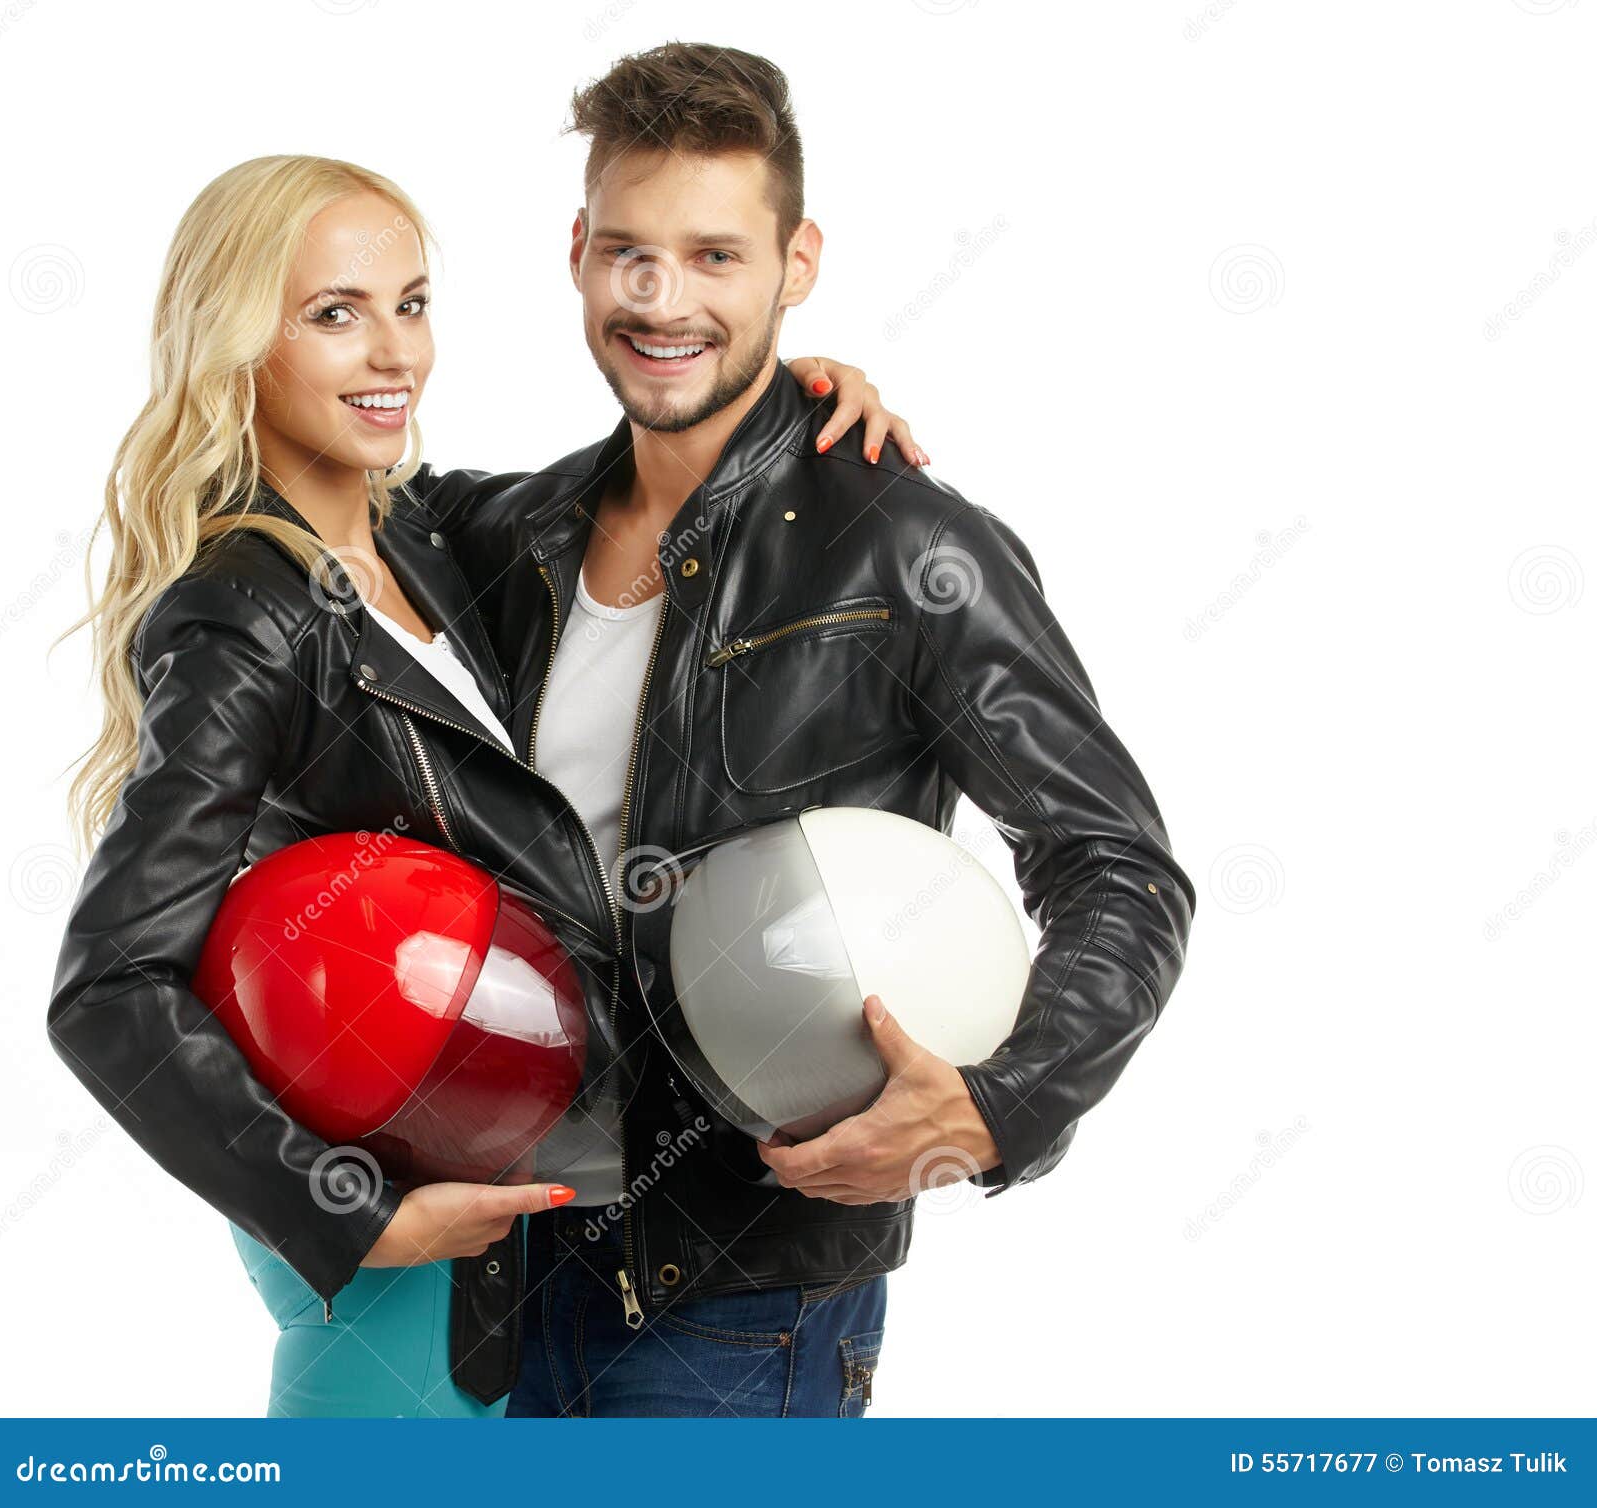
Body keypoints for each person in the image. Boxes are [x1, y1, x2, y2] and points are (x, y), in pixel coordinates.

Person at [44, 152, 918, 1418]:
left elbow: (634, 488)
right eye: (333, 314)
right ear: (238, 342)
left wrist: (783, 406)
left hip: (516, 1220)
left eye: (409, 301)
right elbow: (108, 986)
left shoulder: (424, 531)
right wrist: (343, 1212)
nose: (393, 350)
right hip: (406, 1253)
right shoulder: (242, 614)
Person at [416, 42, 1200, 1419]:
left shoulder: (903, 546)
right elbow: (289, 478)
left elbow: (1114, 864)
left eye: (718, 257)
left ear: (800, 261)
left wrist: (1005, 1104)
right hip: (501, 1256)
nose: (663, 301)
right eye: (631, 253)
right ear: (579, 252)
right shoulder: (510, 536)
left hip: (743, 1297)